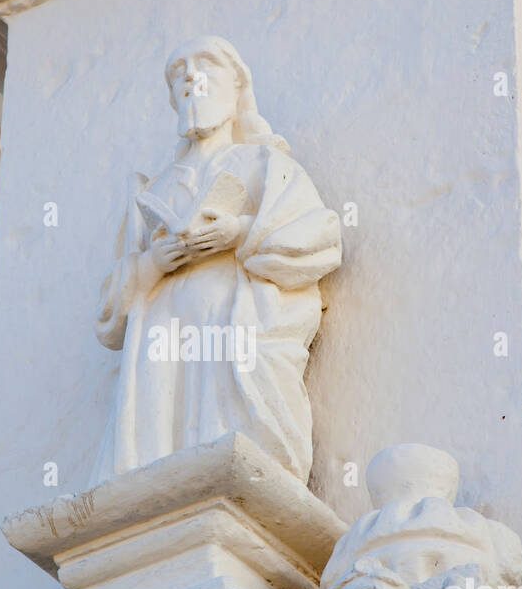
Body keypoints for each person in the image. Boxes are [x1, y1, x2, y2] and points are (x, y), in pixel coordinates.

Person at [90, 35, 341, 485]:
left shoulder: (264, 163)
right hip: (163, 341)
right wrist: (152, 264)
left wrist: (240, 232)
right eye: (178, 71)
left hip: (234, 327)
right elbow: (110, 313)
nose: (190, 75)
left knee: (229, 451)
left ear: (237, 85)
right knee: (160, 468)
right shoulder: (152, 190)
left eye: (205, 63)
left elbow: (319, 237)